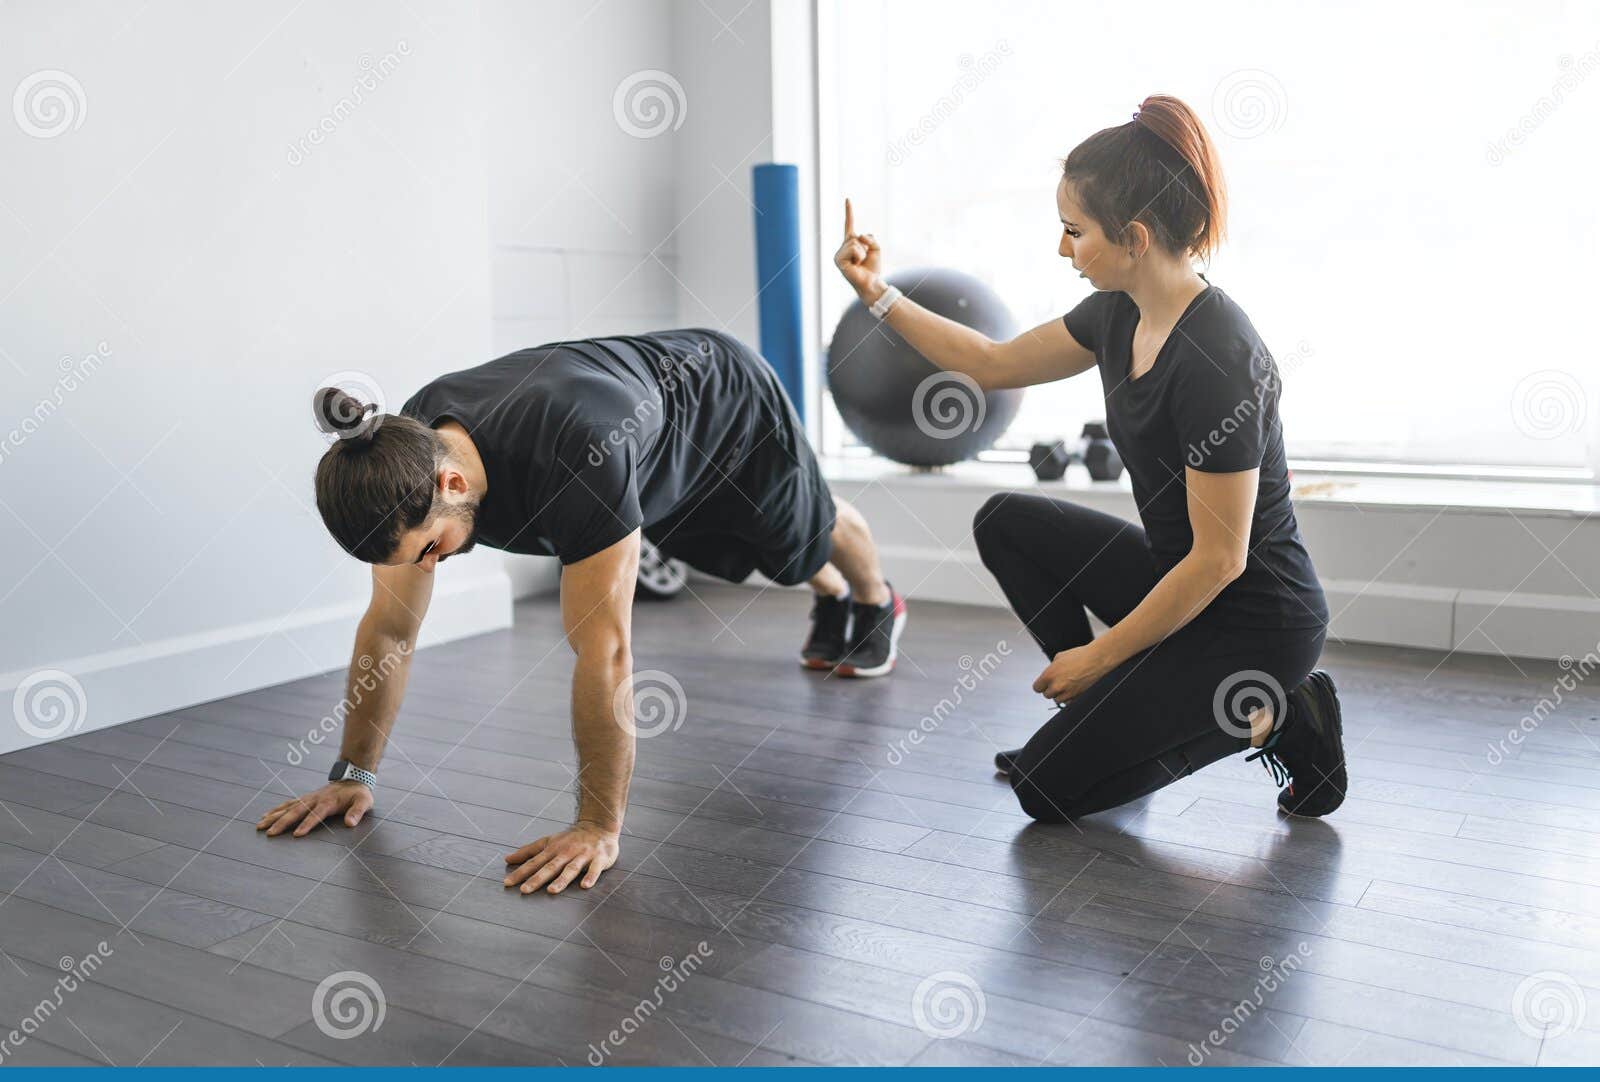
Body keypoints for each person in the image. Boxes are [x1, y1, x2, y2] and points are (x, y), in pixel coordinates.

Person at [834, 93, 1346, 821]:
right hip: (1178, 584)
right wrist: (875, 292)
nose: (1062, 249)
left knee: (1043, 790)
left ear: (1134, 237)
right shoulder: (1117, 312)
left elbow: (1219, 562)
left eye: (1075, 232)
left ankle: (1286, 716)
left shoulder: (1218, 358)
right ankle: (1098, 719)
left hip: (1256, 623)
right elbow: (990, 362)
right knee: (1006, 522)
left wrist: (1097, 658)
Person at [257, 326, 907, 894]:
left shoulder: (580, 453)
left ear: (451, 484)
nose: (426, 568)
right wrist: (353, 774)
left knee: (803, 534)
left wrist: (597, 826)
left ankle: (876, 600)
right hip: (649, 446)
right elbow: (391, 630)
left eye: (429, 550)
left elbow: (607, 649)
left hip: (727, 405)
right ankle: (828, 593)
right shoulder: (404, 456)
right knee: (764, 557)